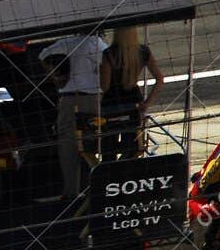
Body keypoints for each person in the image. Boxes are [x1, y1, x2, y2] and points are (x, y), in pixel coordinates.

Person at [38, 32, 109, 200]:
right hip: (92, 99)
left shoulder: (66, 42)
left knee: (67, 147)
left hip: (68, 99)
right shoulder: (102, 47)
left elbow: (42, 55)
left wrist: (54, 74)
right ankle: (101, 187)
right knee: (90, 146)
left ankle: (70, 192)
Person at [100, 27, 164, 160]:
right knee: (132, 149)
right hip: (134, 104)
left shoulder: (109, 53)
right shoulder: (142, 51)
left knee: (108, 151)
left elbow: (104, 86)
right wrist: (147, 103)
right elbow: (159, 79)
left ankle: (110, 175)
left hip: (110, 105)